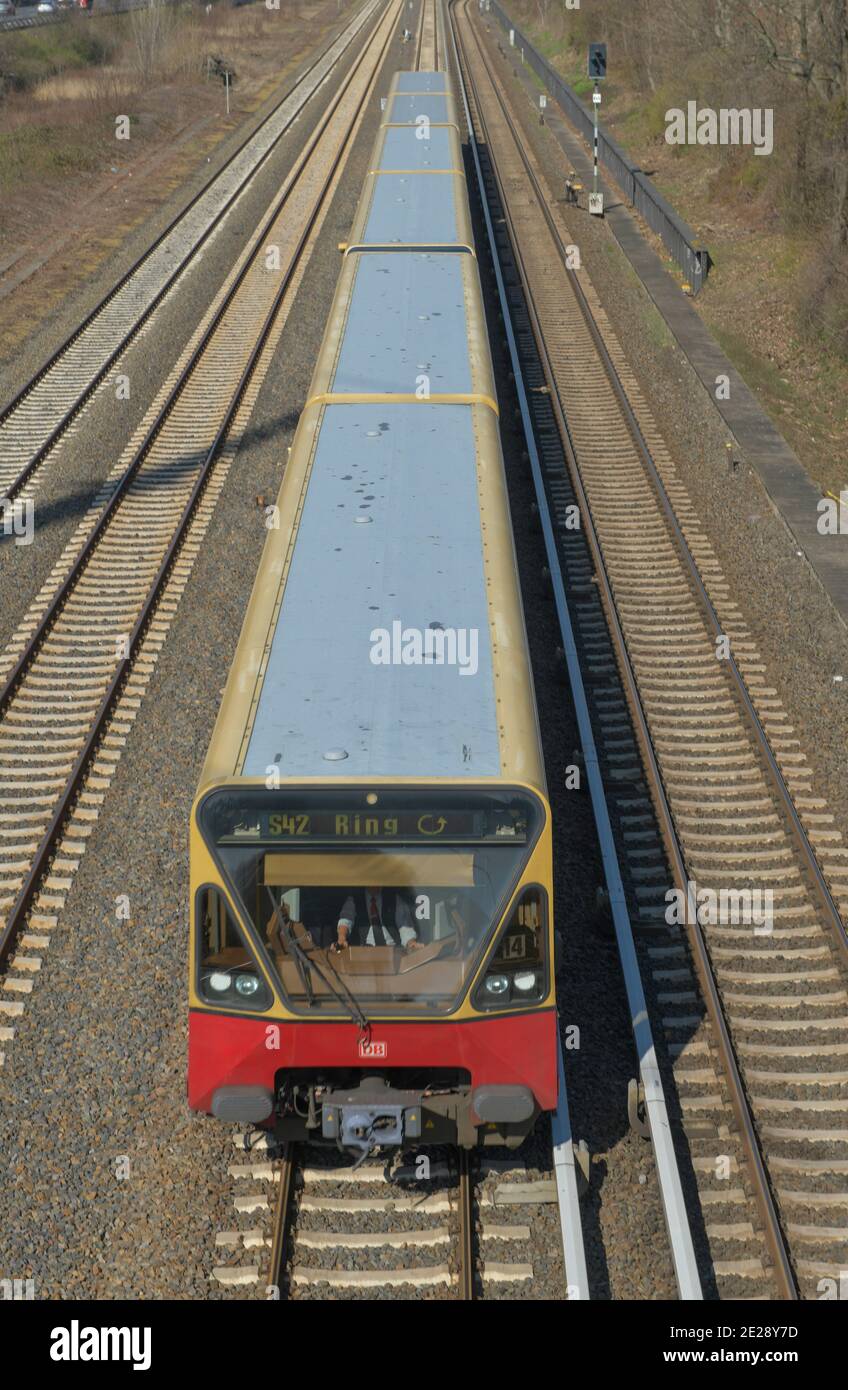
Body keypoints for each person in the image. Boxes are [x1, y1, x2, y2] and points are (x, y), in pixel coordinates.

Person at [335, 887, 419, 951]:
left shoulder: (394, 898)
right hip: (362, 953)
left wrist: (410, 942)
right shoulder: (354, 899)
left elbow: (404, 926)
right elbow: (345, 921)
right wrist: (342, 938)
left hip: (392, 951)